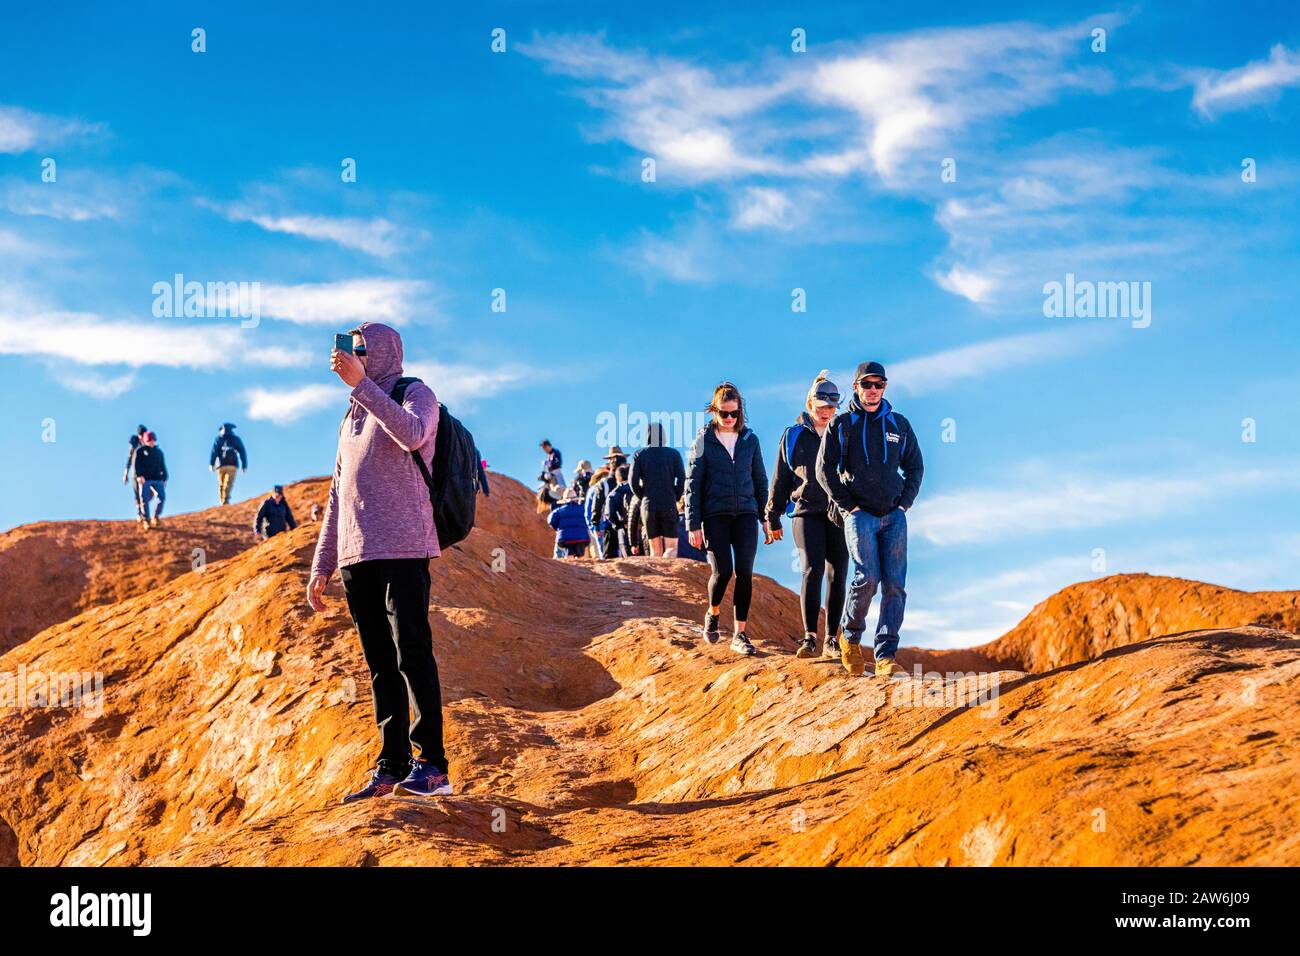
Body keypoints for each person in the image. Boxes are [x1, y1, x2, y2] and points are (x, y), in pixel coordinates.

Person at [306, 322, 452, 801]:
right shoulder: (350, 413)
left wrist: (363, 387)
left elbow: (412, 435)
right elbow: (336, 494)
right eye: (352, 350)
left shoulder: (416, 393)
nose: (355, 356)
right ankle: (391, 765)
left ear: (385, 351)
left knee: (411, 651)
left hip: (404, 546)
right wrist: (322, 565)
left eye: (363, 349)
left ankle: (432, 766)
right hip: (356, 554)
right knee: (379, 664)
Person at [816, 361, 924, 678]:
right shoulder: (844, 424)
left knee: (895, 586)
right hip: (859, 516)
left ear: (885, 388)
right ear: (856, 387)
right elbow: (824, 470)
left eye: (879, 385)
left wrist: (904, 504)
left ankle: (885, 655)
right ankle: (849, 639)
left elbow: (916, 466)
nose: (873, 390)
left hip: (894, 516)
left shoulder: (898, 425)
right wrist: (849, 506)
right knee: (868, 578)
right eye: (867, 384)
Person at [766, 371, 848, 660]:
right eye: (822, 406)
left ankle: (832, 639)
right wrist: (772, 516)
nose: (827, 412)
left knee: (838, 572)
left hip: (838, 512)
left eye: (831, 407)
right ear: (810, 403)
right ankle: (809, 638)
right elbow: (780, 478)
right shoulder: (794, 435)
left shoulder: (843, 432)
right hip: (804, 511)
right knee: (812, 568)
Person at [685, 382, 768, 656]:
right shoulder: (703, 442)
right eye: (724, 414)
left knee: (744, 572)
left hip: (745, 513)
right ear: (714, 412)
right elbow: (693, 484)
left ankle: (740, 634)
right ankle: (713, 612)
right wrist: (693, 525)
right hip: (715, 515)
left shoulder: (750, 440)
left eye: (734, 413)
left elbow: (760, 481)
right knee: (722, 572)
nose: (730, 419)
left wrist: (767, 518)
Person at [629, 422, 686, 557]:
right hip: (668, 503)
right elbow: (682, 479)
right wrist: (675, 496)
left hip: (648, 506)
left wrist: (644, 496)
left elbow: (632, 482)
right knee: (671, 547)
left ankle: (660, 577)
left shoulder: (639, 455)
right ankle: (670, 576)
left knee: (655, 550)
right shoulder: (674, 454)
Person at [589, 447, 627, 559]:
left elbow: (597, 504)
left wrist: (595, 523)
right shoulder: (632, 481)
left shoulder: (604, 484)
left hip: (609, 523)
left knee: (610, 556)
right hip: (628, 523)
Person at [133, 431, 168, 529]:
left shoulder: (159, 452)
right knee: (144, 499)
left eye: (153, 440)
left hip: (157, 479)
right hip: (145, 480)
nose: (151, 442)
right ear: (145, 440)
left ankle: (156, 517)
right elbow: (136, 466)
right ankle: (146, 520)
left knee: (162, 497)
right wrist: (139, 476)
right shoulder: (140, 451)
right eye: (149, 440)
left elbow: (163, 466)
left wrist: (165, 478)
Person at [209, 423, 248, 505]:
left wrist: (211, 463)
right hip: (227, 465)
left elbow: (214, 452)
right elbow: (242, 452)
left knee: (225, 484)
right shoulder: (233, 439)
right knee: (224, 484)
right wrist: (244, 465)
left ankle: (224, 500)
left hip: (225, 465)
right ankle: (224, 501)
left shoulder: (219, 439)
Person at [548, 488, 591, 557]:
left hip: (565, 538)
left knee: (568, 557)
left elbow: (551, 521)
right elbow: (589, 518)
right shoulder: (583, 508)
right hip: (582, 537)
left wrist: (559, 529)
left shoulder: (558, 511)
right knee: (581, 557)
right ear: (576, 499)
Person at [606, 464, 634, 557]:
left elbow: (609, 514)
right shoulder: (640, 489)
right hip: (642, 530)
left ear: (617, 478)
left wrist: (617, 525)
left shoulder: (613, 494)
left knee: (629, 564)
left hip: (624, 529)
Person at [583, 464, 610, 554]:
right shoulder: (611, 487)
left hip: (599, 526)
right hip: (610, 525)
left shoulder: (591, 490)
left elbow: (588, 511)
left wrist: (593, 527)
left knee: (603, 552)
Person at [123, 424, 147, 514]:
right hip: (135, 473)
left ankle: (144, 511)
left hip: (146, 472)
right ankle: (140, 513)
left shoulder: (147, 442)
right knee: (137, 494)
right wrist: (125, 473)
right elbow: (129, 459)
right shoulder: (135, 444)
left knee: (147, 493)